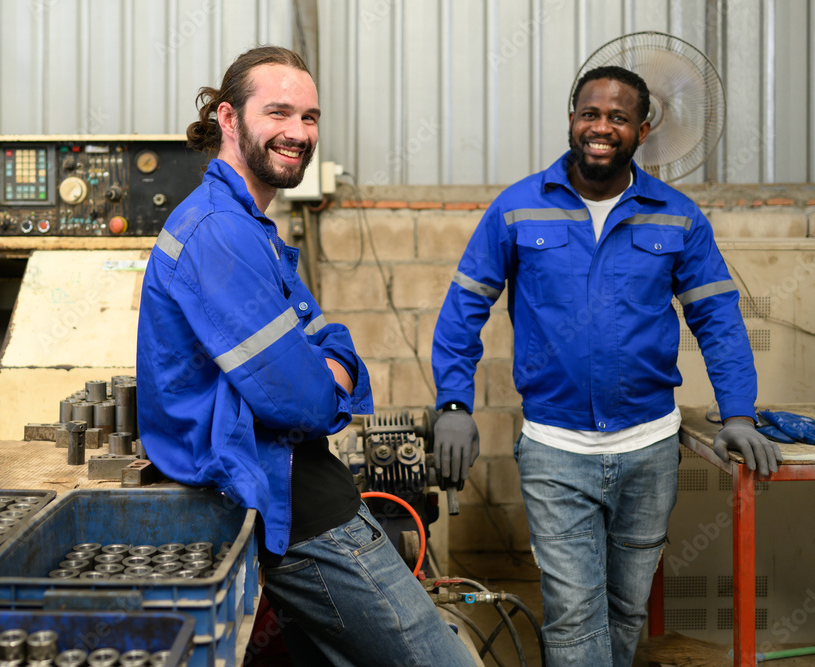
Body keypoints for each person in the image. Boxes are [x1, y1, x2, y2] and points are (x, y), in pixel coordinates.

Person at [431, 65, 783, 666]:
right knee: (573, 614)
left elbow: (718, 321)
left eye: (618, 117)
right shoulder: (518, 209)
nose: (601, 127)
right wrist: (454, 403)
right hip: (555, 448)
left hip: (649, 450)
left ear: (642, 130)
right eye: (590, 114)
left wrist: (740, 414)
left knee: (624, 609)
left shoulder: (677, 216)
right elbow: (465, 306)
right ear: (572, 121)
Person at [137, 46, 475, 667]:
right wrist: (330, 378)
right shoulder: (220, 233)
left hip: (293, 479)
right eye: (279, 112)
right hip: (280, 497)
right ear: (228, 119)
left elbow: (334, 344)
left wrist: (330, 369)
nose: (298, 133)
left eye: (311, 117)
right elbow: (303, 401)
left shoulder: (252, 226)